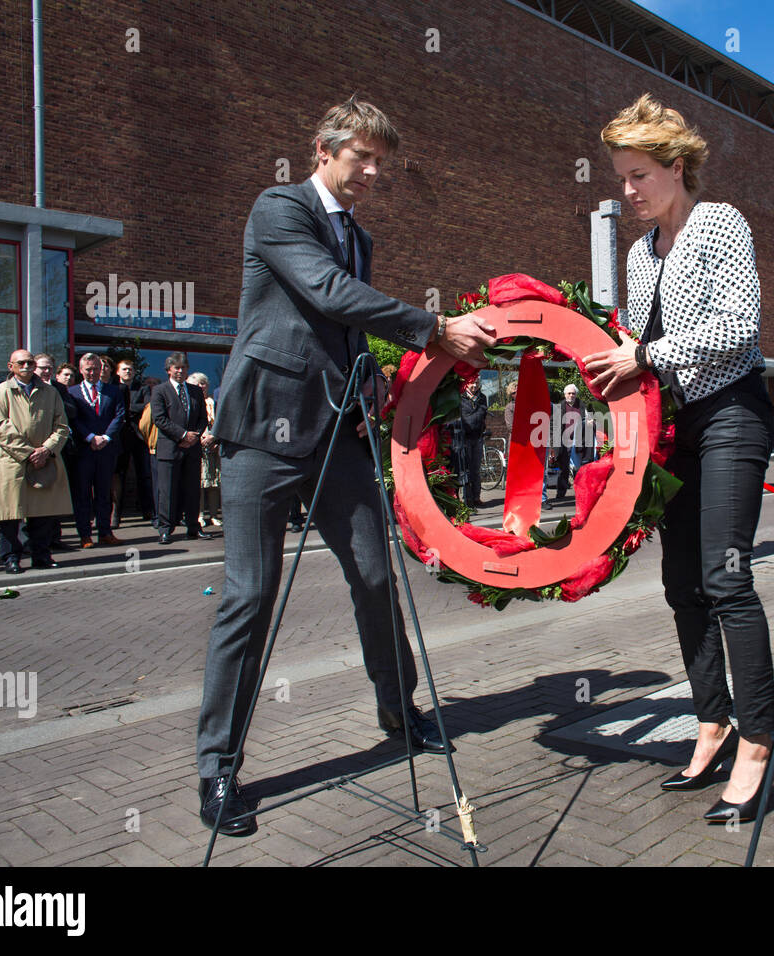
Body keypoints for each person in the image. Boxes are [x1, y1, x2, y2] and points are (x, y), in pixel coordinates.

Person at [196, 94, 495, 837]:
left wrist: (372, 382)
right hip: (263, 429)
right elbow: (327, 293)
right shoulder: (279, 208)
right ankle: (218, 767)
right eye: (361, 157)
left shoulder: (358, 236)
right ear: (324, 148)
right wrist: (433, 328)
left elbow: (346, 328)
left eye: (379, 164)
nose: (370, 172)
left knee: (372, 571)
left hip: (335, 436)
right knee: (250, 595)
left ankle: (400, 708)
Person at [586, 93, 774, 824]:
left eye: (638, 175)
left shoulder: (720, 222)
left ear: (675, 167)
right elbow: (636, 346)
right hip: (674, 431)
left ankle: (760, 739)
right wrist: (614, 367)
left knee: (726, 579)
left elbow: (739, 325)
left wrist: (645, 354)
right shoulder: (639, 254)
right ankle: (712, 721)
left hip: (731, 412)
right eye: (620, 177)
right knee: (680, 584)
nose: (627, 191)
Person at [0, 350, 71, 573]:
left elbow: (61, 426)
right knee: (11, 514)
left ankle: (41, 556)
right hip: (13, 462)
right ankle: (11, 557)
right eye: (20, 363)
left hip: (44, 461)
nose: (26, 366)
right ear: (10, 365)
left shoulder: (50, 392)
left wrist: (46, 450)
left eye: (30, 362)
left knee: (42, 513)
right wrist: (28, 453)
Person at [151, 353, 214, 544]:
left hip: (192, 449)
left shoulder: (195, 391)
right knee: (168, 491)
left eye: (183, 367)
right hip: (170, 448)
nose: (180, 371)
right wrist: (182, 435)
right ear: (169, 370)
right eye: (176, 368)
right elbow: (159, 419)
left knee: (192, 491)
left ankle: (193, 528)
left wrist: (193, 435)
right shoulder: (160, 390)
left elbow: (203, 417)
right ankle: (165, 529)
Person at [68, 352, 124, 547]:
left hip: (107, 450)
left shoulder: (113, 391)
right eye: (88, 369)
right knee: (83, 493)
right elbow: (73, 419)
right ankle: (85, 535)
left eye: (95, 369)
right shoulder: (72, 392)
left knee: (104, 493)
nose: (92, 373)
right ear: (81, 370)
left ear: (102, 370)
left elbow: (119, 416)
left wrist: (106, 437)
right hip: (84, 450)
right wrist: (90, 437)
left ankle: (105, 532)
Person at [34, 353, 79, 552]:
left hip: (57, 449)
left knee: (55, 494)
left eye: (49, 368)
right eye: (42, 367)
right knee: (33, 496)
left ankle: (54, 538)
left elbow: (71, 412)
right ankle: (30, 541)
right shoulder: (28, 387)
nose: (46, 371)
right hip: (34, 449)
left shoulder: (58, 388)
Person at [113, 358, 155, 526]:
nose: (128, 372)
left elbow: (147, 407)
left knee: (144, 474)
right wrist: (130, 408)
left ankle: (148, 511)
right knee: (119, 476)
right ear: (118, 372)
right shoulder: (114, 388)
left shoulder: (143, 388)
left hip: (139, 436)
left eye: (130, 369)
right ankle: (117, 514)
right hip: (121, 436)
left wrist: (126, 407)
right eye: (124, 369)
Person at [189, 371, 222, 526]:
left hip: (213, 447)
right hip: (197, 447)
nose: (202, 386)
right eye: (198, 383)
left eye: (204, 383)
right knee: (200, 484)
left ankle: (214, 515)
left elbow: (219, 422)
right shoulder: (191, 401)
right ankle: (200, 515)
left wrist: (215, 438)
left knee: (214, 483)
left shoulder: (212, 402)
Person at [456, 378, 488, 507]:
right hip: (465, 438)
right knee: (466, 469)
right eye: (472, 383)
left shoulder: (482, 398)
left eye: (476, 383)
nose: (474, 385)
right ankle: (467, 499)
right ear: (466, 384)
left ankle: (476, 497)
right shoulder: (461, 398)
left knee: (476, 469)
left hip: (478, 437)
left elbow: (483, 414)